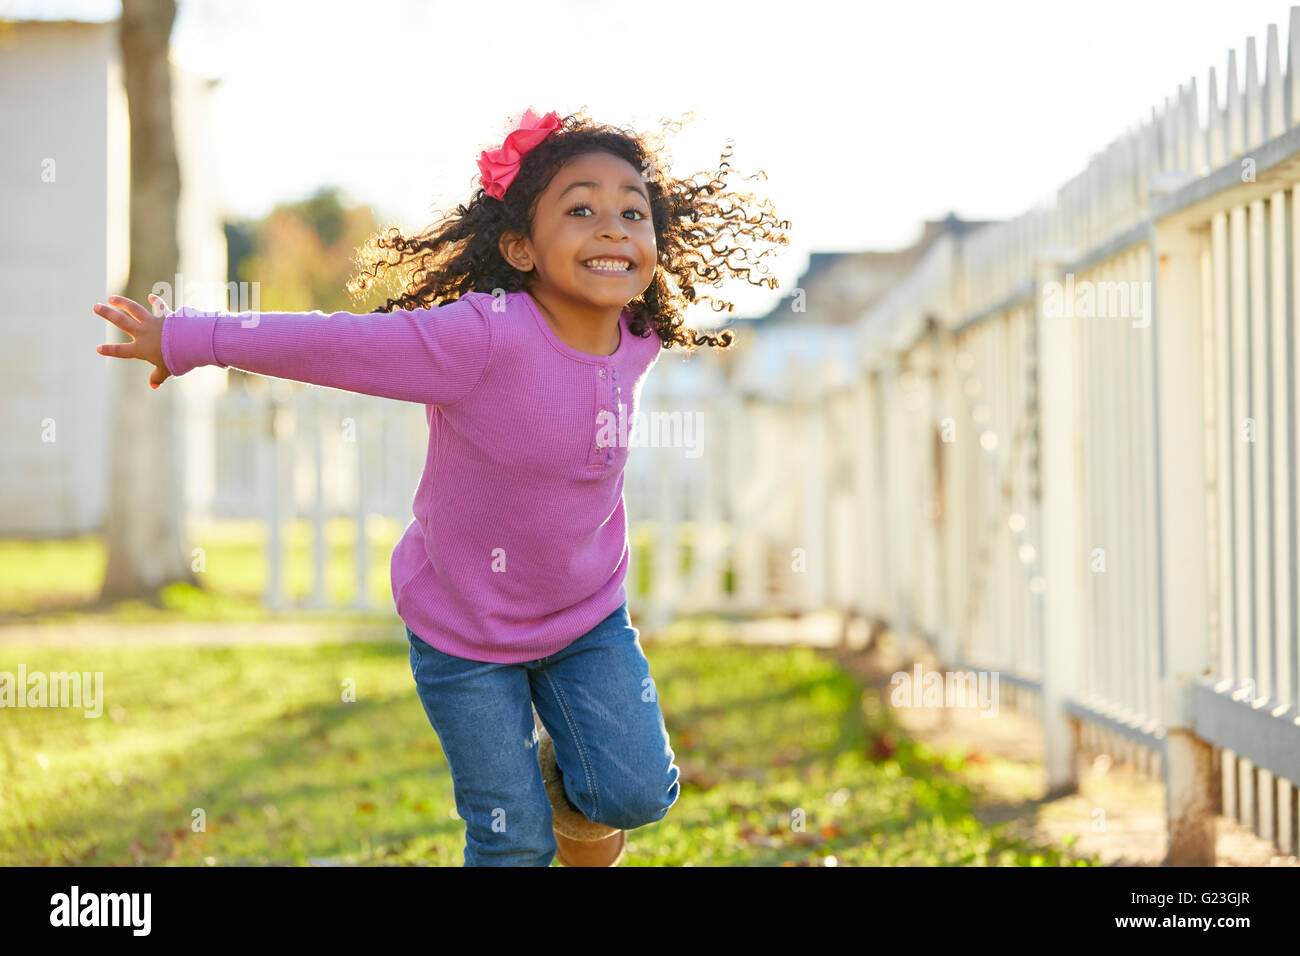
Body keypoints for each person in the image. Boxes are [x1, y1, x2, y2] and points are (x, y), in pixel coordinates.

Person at [92, 106, 791, 866]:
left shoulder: (640, 338)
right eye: (581, 209)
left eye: (634, 211)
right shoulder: (479, 334)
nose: (614, 227)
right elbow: (338, 343)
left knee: (635, 793)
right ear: (520, 246)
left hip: (585, 618)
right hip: (464, 631)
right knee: (509, 840)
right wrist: (191, 338)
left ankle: (571, 795)